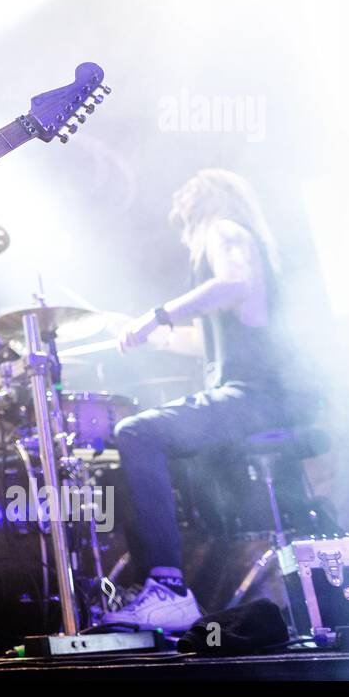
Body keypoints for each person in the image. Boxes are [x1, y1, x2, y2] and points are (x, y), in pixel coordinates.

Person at [105, 169, 301, 632]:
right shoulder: (242, 238)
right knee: (145, 445)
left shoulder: (225, 230)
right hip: (253, 394)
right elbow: (203, 343)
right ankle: (170, 586)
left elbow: (236, 284)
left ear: (203, 203)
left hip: (257, 395)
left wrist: (157, 315)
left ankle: (169, 589)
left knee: (137, 431)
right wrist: (150, 335)